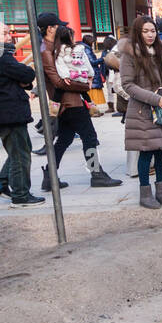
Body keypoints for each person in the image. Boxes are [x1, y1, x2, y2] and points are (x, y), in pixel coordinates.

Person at [39, 13, 121, 191]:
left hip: (69, 100)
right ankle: (96, 173)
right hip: (70, 102)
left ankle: (49, 175)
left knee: (65, 139)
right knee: (89, 136)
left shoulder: (55, 47)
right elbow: (59, 82)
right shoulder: (46, 50)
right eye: (57, 26)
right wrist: (84, 86)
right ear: (50, 28)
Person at [0, 19, 43, 208]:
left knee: (17, 150)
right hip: (8, 111)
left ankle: (3, 183)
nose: (9, 37)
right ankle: (21, 194)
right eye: (4, 33)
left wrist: (21, 81)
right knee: (20, 154)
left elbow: (19, 78)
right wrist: (23, 79)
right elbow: (26, 74)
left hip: (1, 110)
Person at [120, 15, 162, 209]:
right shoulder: (130, 54)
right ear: (137, 33)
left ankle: (161, 192)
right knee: (146, 153)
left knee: (161, 151)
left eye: (152, 31)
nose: (150, 35)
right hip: (143, 110)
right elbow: (128, 85)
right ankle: (145, 193)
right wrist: (156, 99)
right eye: (145, 31)